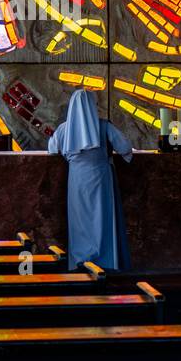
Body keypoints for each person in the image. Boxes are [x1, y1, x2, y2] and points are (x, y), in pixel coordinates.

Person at [48, 89, 133, 271]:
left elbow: (52, 149)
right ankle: (105, 261)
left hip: (77, 180)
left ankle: (80, 261)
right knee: (101, 220)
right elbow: (125, 147)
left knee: (80, 222)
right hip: (101, 180)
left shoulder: (64, 129)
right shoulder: (104, 127)